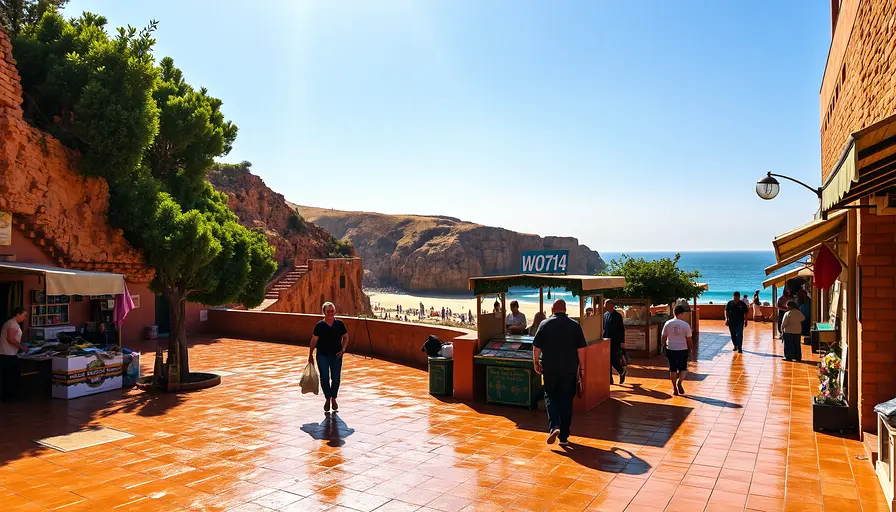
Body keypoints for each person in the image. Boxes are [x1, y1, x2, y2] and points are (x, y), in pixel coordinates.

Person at [533, 299, 586, 446]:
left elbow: (536, 347)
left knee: (550, 396)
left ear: (552, 309)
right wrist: (582, 368)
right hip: (569, 370)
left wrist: (535, 362)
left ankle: (554, 426)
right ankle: (563, 437)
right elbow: (581, 350)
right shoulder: (574, 326)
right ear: (565, 309)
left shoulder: (544, 324)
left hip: (550, 369)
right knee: (566, 401)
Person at [308, 302, 349, 413]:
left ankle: (333, 398)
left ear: (335, 311)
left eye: (332, 311)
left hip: (337, 355)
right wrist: (310, 354)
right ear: (324, 313)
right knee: (324, 378)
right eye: (328, 311)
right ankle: (327, 398)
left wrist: (343, 349)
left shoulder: (340, 324)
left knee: (336, 378)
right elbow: (314, 340)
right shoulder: (319, 325)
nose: (330, 313)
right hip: (322, 355)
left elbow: (346, 337)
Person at [662, 305, 693, 395]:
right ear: (682, 313)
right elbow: (689, 339)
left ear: (673, 313)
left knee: (673, 368)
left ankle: (674, 388)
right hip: (682, 349)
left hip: (670, 348)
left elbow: (663, 336)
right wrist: (691, 349)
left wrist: (662, 346)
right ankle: (680, 383)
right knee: (683, 368)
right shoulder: (685, 325)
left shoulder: (668, 323)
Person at [1, 307, 27, 402]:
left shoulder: (12, 323)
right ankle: (10, 397)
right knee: (11, 377)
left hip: (9, 353)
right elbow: (10, 338)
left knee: (9, 376)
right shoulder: (12, 324)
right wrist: (22, 347)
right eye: (24, 315)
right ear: (18, 315)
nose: (24, 318)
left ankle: (8, 396)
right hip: (8, 354)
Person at [603, 299, 627, 384]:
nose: (604, 306)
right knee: (606, 360)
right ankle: (610, 379)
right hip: (606, 340)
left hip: (615, 341)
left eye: (605, 304)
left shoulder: (617, 316)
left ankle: (621, 371)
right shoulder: (605, 315)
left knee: (611, 359)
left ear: (611, 305)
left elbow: (621, 329)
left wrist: (622, 342)